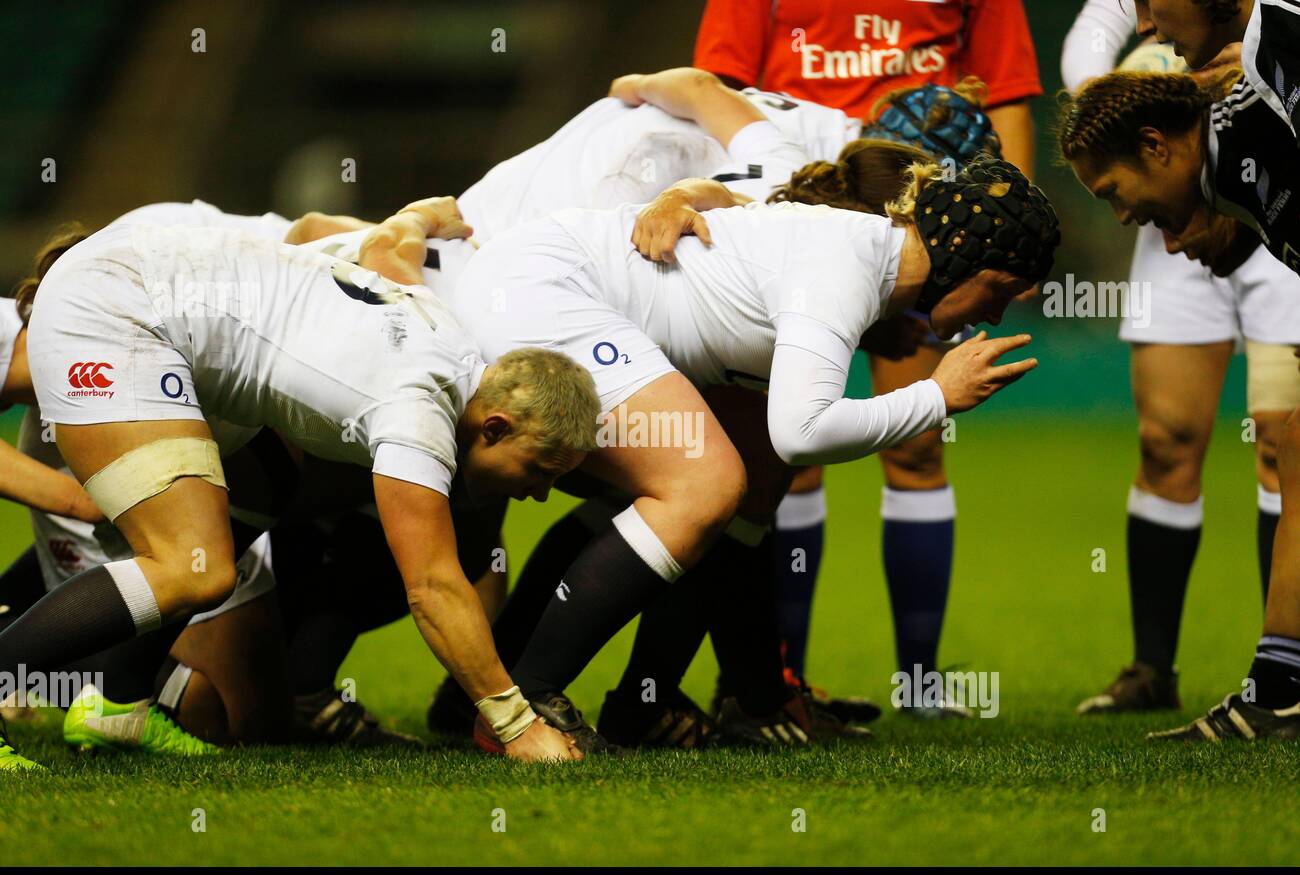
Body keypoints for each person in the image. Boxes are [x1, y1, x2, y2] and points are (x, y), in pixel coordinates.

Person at [427, 155, 1058, 752]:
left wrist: (759, 693)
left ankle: (639, 706)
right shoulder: (847, 272)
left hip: (539, 281)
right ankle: (522, 704)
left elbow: (756, 500)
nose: (995, 316)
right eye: (1000, 293)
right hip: (542, 291)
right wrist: (936, 397)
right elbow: (803, 432)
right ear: (971, 265)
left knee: (745, 494)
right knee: (705, 484)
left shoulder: (856, 256)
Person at [0, 197, 599, 770]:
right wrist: (517, 724)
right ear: (494, 425)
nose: (540, 493)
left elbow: (391, 246)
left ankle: (116, 703)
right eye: (539, 471)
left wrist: (420, 216)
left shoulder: (444, 332)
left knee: (267, 479)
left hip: (140, 284)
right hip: (115, 312)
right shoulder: (416, 411)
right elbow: (434, 587)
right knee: (192, 569)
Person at [693, 0, 1043, 715]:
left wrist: (1013, 229)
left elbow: (1005, 96)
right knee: (789, 458)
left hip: (938, 215)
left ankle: (920, 682)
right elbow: (714, 85)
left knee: (916, 446)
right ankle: (780, 682)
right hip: (811, 200)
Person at [1060, 24, 1300, 740]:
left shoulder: (1265, 156)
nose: (1153, 22)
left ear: (1159, 145)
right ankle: (1278, 686)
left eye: (1114, 192)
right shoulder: (1246, 166)